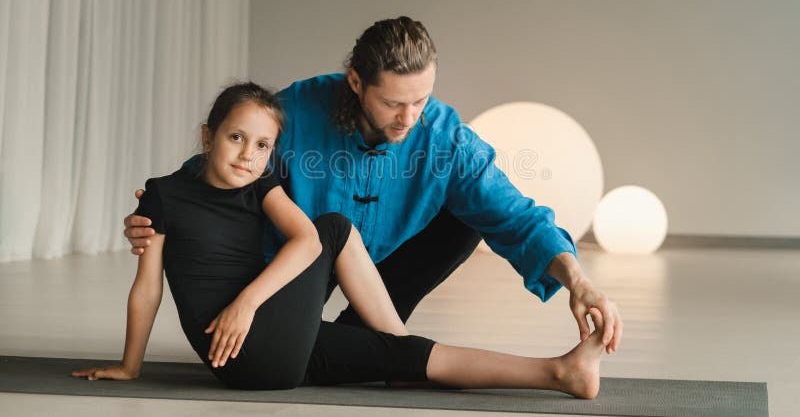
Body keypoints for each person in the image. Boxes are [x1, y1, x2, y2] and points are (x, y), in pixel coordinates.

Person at [125, 16, 622, 355]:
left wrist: (579, 281)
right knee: (328, 233)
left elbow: (516, 215)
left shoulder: (445, 137)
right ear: (357, 82)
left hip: (380, 274)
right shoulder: (297, 110)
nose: (409, 118)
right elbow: (227, 158)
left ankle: (366, 337)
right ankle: (352, 346)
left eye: (421, 101)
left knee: (465, 221)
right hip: (290, 268)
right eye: (393, 104)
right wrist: (159, 210)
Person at [75, 82, 608, 397]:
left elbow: (301, 243)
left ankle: (560, 372)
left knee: (394, 358)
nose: (248, 154)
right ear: (207, 136)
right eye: (236, 138)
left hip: (262, 344)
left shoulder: (262, 185)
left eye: (263, 145)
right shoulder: (166, 195)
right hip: (243, 348)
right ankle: (398, 342)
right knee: (333, 227)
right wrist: (129, 366)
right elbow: (148, 289)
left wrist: (247, 301)